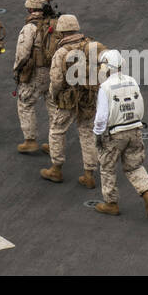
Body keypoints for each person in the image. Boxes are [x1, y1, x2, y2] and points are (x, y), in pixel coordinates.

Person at [91, 49, 148, 217]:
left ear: (106, 67)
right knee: (134, 165)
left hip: (114, 134)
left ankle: (111, 203)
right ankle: (146, 193)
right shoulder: (132, 81)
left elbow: (101, 117)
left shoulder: (105, 87)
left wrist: (98, 135)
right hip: (135, 129)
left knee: (107, 167)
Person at [40, 14, 102, 188]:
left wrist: (54, 95)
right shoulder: (90, 46)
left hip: (68, 98)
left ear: (61, 32)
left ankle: (56, 168)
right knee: (87, 132)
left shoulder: (61, 52)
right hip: (88, 96)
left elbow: (57, 79)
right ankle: (89, 174)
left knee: (57, 130)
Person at [12, 0, 59, 153]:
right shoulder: (55, 23)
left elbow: (22, 53)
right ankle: (55, 143)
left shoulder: (30, 27)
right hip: (54, 71)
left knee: (25, 102)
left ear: (30, 9)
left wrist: (17, 71)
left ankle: (30, 140)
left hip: (36, 73)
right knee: (53, 106)